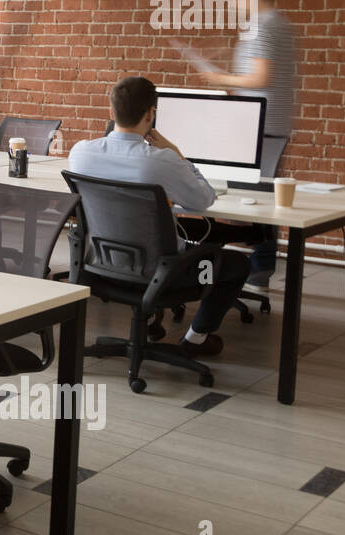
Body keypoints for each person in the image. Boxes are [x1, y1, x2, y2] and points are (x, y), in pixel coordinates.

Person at [68, 76, 250, 357]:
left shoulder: (80, 154)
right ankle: (196, 337)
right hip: (162, 273)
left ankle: (153, 321)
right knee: (235, 264)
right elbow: (204, 199)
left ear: (111, 111)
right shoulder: (161, 160)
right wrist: (177, 154)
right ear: (151, 113)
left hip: (103, 265)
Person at [199, 0, 295, 289]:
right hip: (269, 122)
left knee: (257, 200)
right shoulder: (280, 23)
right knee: (260, 197)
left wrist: (220, 79)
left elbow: (260, 78)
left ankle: (255, 271)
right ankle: (256, 269)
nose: (234, 3)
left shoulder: (262, 26)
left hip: (260, 125)